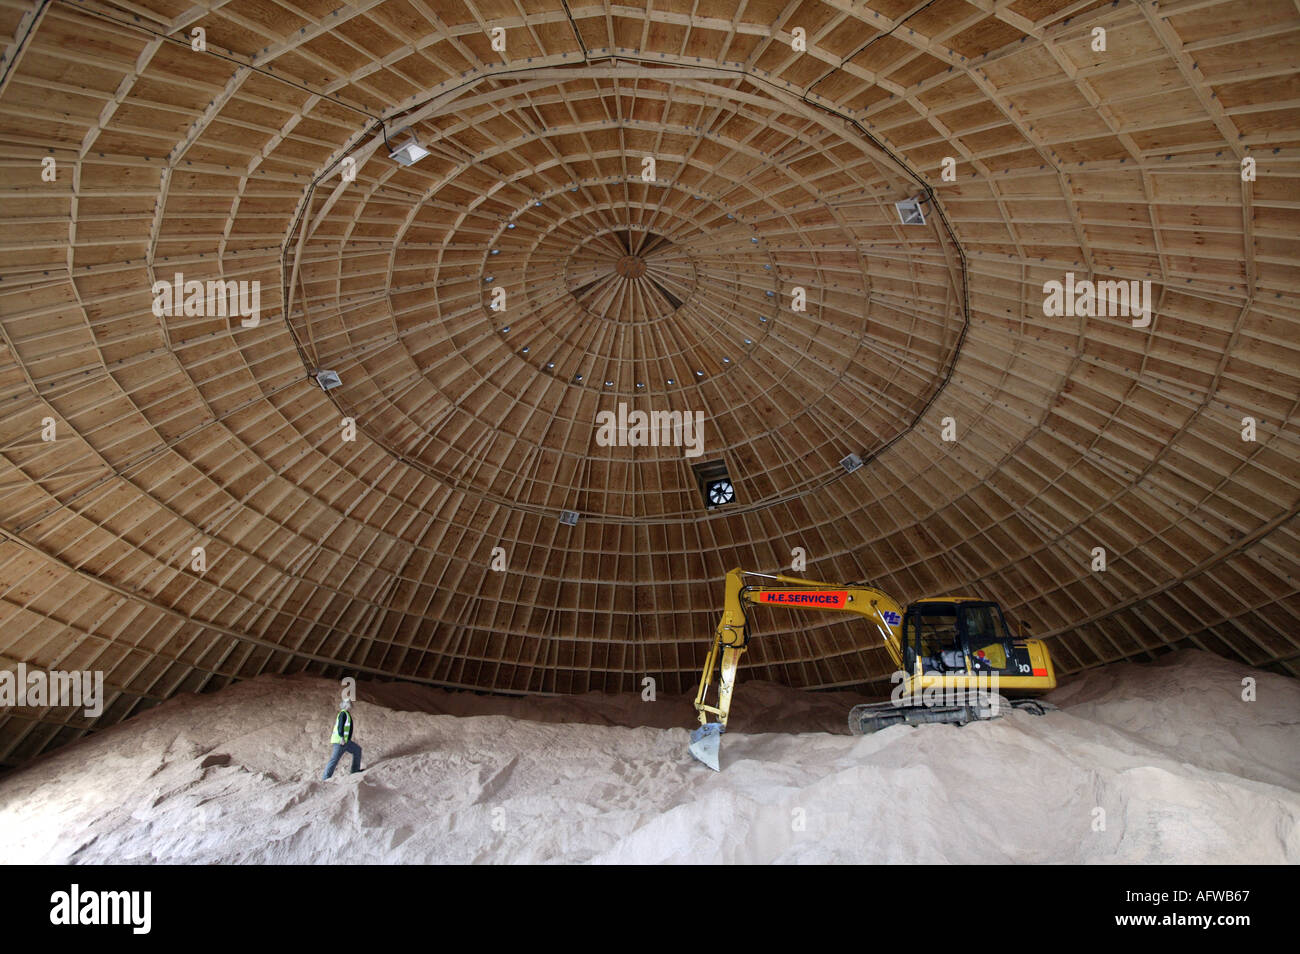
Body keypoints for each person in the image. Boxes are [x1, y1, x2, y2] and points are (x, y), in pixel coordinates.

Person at [322, 699, 362, 779]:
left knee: (357, 750)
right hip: (340, 742)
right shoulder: (343, 714)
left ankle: (355, 770)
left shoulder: (346, 713)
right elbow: (340, 726)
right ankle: (325, 778)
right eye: (350, 704)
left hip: (346, 742)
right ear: (346, 705)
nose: (351, 705)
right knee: (334, 760)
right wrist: (342, 738)